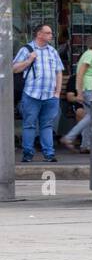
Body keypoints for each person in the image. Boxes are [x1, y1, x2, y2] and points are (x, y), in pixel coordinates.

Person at [12, 23, 64, 163]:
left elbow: (59, 72)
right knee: (29, 125)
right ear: (39, 34)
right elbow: (14, 69)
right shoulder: (26, 49)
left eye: (51, 33)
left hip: (50, 96)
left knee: (47, 125)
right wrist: (29, 60)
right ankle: (27, 154)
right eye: (48, 33)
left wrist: (57, 92)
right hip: (31, 95)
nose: (51, 35)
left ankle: (49, 154)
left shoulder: (52, 51)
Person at [60, 42, 92, 154]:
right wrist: (79, 93)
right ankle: (69, 137)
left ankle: (85, 144)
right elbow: (80, 74)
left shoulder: (88, 54)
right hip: (87, 90)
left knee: (90, 116)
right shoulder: (90, 54)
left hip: (87, 90)